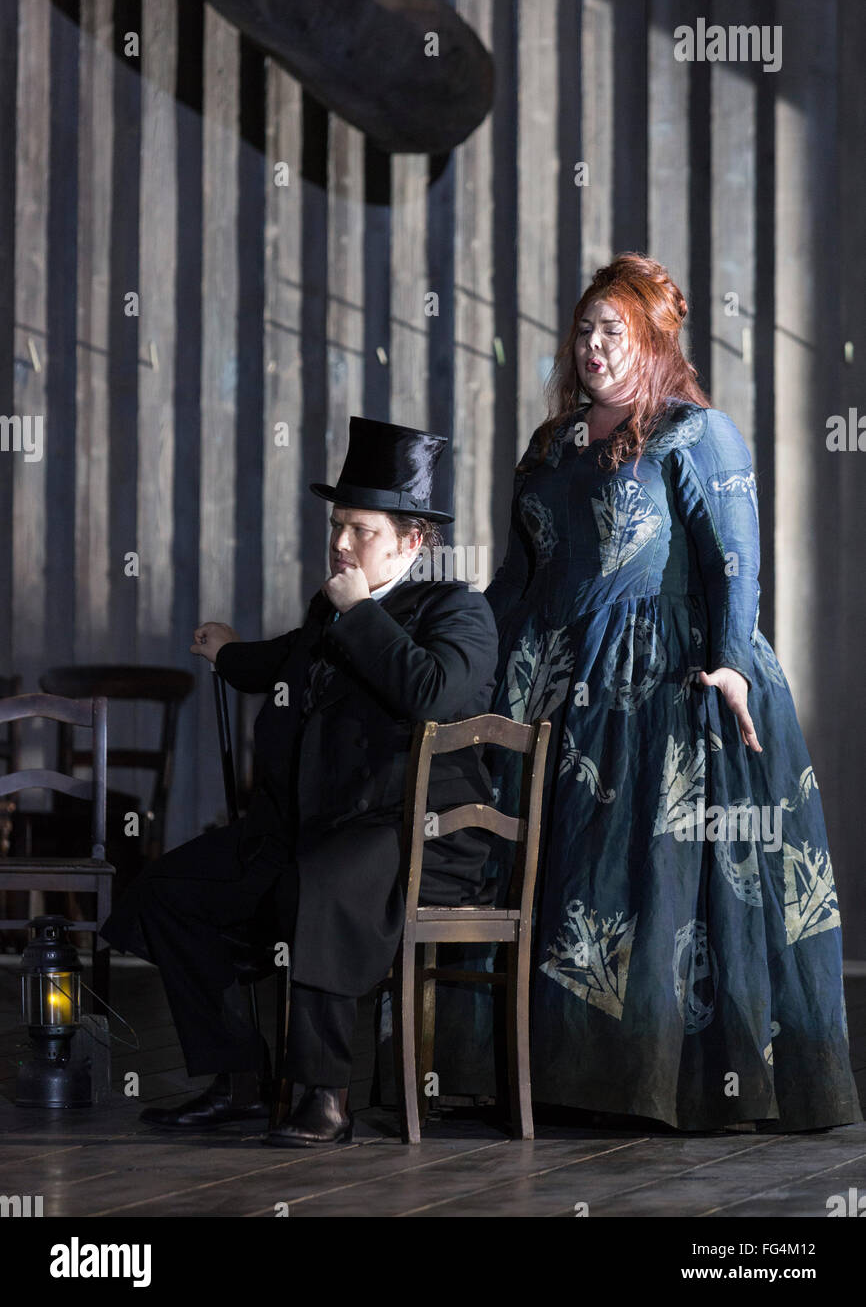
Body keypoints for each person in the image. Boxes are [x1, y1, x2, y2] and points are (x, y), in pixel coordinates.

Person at [440, 252, 861, 1133]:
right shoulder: (552, 444)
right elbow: (521, 575)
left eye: (613, 331)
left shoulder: (695, 434)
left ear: (654, 340)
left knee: (648, 879)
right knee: (560, 876)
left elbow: (732, 564)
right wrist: (452, 654)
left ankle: (665, 1081)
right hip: (555, 680)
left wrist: (734, 666)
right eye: (585, 330)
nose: (593, 346)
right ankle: (553, 1076)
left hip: (665, 679)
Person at [100, 417, 500, 1147]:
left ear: (412, 541)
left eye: (361, 530)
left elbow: (433, 693)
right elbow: (284, 660)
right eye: (337, 526)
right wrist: (229, 655)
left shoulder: (459, 610)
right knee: (171, 891)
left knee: (325, 879)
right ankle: (240, 1078)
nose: (341, 544)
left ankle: (325, 1094)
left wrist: (360, 612)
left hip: (417, 833)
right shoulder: (331, 609)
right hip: (319, 824)